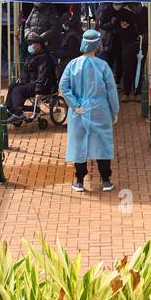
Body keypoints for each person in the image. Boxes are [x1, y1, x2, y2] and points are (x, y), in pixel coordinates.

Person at [59, 29, 120, 193]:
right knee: (103, 144)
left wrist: (74, 105)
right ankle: (106, 180)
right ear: (97, 45)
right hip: (101, 109)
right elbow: (111, 91)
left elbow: (63, 86)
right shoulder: (103, 66)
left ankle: (79, 181)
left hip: (79, 110)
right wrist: (114, 111)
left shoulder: (72, 65)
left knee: (79, 145)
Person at [6, 37, 56, 122]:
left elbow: (43, 75)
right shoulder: (32, 56)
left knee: (17, 90)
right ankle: (9, 109)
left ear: (39, 45)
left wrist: (39, 91)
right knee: (12, 86)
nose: (30, 46)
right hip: (32, 83)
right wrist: (23, 82)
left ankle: (18, 113)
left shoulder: (44, 58)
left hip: (43, 85)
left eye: (32, 44)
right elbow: (25, 71)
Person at [113, 4, 144, 99]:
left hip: (141, 44)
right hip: (127, 43)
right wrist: (121, 26)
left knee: (139, 67)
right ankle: (126, 92)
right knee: (127, 68)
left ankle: (137, 92)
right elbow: (115, 28)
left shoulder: (144, 10)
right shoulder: (123, 11)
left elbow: (150, 25)